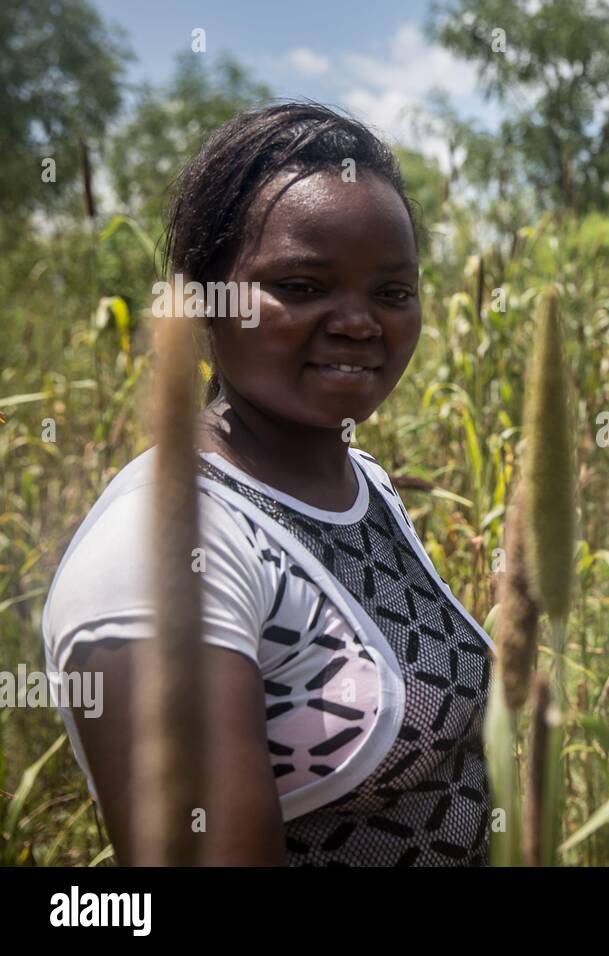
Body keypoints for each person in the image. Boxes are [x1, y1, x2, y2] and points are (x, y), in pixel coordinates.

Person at [41, 103, 493, 866]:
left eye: (392, 291)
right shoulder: (161, 553)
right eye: (302, 284)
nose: (358, 322)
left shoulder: (359, 481)